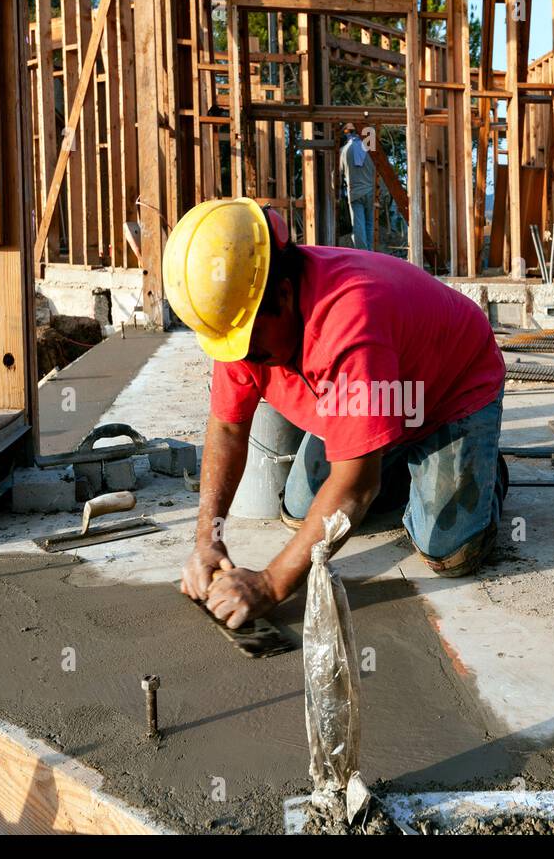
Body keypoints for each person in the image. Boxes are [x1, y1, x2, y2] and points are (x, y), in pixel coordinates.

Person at [164, 197, 507, 630]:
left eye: (249, 344)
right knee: (300, 512)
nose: (243, 358)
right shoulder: (240, 313)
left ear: (284, 295)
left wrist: (271, 585)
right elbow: (229, 428)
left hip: (446, 394)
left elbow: (354, 486)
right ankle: (384, 449)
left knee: (448, 551)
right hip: (378, 393)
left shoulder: (350, 321)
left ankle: (486, 468)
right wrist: (207, 541)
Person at [339, 123, 376, 251]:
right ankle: (370, 254)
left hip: (355, 193)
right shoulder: (370, 150)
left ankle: (363, 255)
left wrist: (336, 189)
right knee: (369, 224)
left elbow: (337, 174)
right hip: (370, 191)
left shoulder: (344, 151)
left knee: (358, 225)